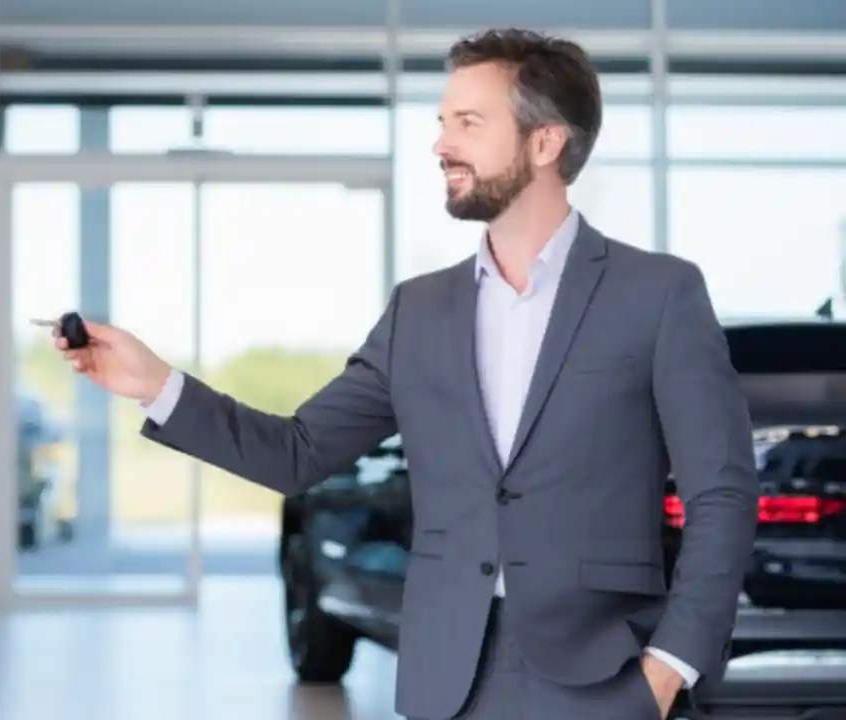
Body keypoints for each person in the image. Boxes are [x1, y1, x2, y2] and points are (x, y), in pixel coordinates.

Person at [56, 28, 759, 720]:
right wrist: (155, 383)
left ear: (545, 143)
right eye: (442, 122)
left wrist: (669, 668)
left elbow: (722, 493)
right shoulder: (419, 311)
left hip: (604, 675)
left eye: (469, 123)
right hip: (447, 677)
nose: (441, 144)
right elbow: (298, 452)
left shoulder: (658, 295)